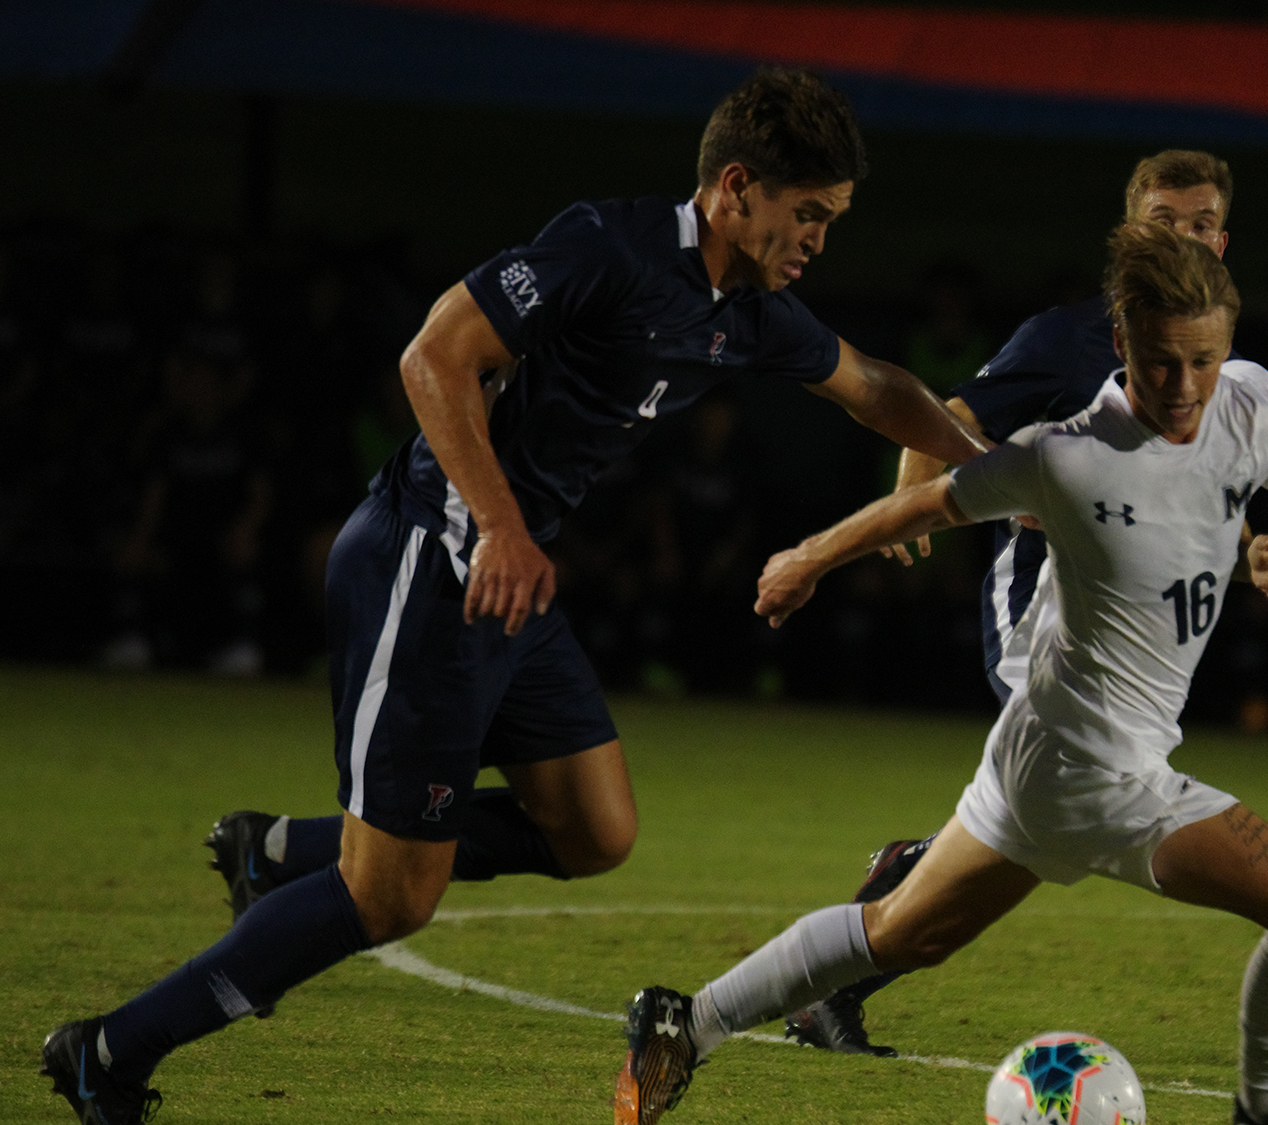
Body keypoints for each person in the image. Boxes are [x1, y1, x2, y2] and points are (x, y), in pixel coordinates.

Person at [37, 67, 989, 1125]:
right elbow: (433, 357)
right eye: (807, 212)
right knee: (389, 898)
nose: (817, 239)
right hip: (430, 560)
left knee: (594, 831)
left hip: (509, 581)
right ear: (734, 188)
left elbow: (876, 387)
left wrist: (998, 477)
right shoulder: (607, 247)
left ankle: (277, 854)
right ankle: (109, 1052)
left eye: (831, 219)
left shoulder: (750, 310)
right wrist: (496, 525)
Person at [615, 224, 1268, 1125]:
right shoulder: (1068, 454)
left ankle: (684, 1021)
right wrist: (809, 557)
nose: (1185, 386)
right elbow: (928, 504)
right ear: (1121, 342)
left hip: (1038, 747)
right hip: (1099, 769)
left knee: (903, 931)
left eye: (1204, 360)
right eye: (1162, 363)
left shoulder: (1252, 405)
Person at [780, 149, 1268, 1057]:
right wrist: (914, 495)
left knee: (1050, 812)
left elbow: (1205, 503)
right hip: (1042, 612)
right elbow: (954, 412)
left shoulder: (1213, 355)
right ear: (1129, 233)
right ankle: (834, 970)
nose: (1186, 237)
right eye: (1165, 222)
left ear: (1224, 241)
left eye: (1202, 224)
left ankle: (897, 888)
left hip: (1128, 632)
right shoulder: (1070, 337)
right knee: (1064, 801)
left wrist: (1254, 552)